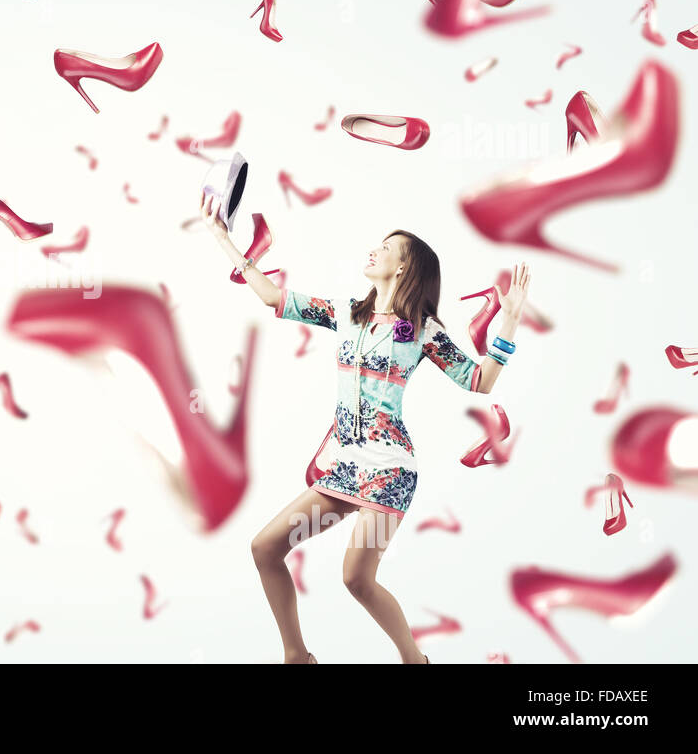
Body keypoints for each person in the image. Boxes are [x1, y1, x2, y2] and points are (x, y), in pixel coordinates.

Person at [199, 191, 531, 663]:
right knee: (266, 548)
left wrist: (510, 324)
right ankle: (298, 656)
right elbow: (274, 296)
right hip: (346, 468)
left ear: (402, 267)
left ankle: (414, 660)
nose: (374, 250)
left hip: (390, 471)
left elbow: (478, 379)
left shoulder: (422, 331)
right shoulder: (345, 312)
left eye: (386, 247)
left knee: (356, 577)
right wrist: (223, 239)